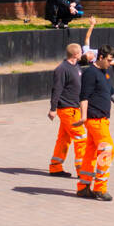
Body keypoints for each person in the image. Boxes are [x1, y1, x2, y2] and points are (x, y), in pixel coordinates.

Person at [77, 46, 114, 201]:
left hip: (101, 120)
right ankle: (100, 188)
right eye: (109, 60)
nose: (111, 63)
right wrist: (83, 116)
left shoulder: (103, 72)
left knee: (90, 153)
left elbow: (111, 93)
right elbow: (83, 96)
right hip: (95, 120)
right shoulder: (90, 73)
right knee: (107, 150)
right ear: (101, 57)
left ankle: (83, 187)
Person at [47, 42, 87, 177]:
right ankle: (82, 171)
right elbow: (56, 89)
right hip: (68, 110)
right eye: (80, 52)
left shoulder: (76, 66)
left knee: (64, 138)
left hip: (74, 108)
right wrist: (53, 109)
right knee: (81, 138)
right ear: (75, 54)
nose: (82, 53)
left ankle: (55, 167)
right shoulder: (62, 69)